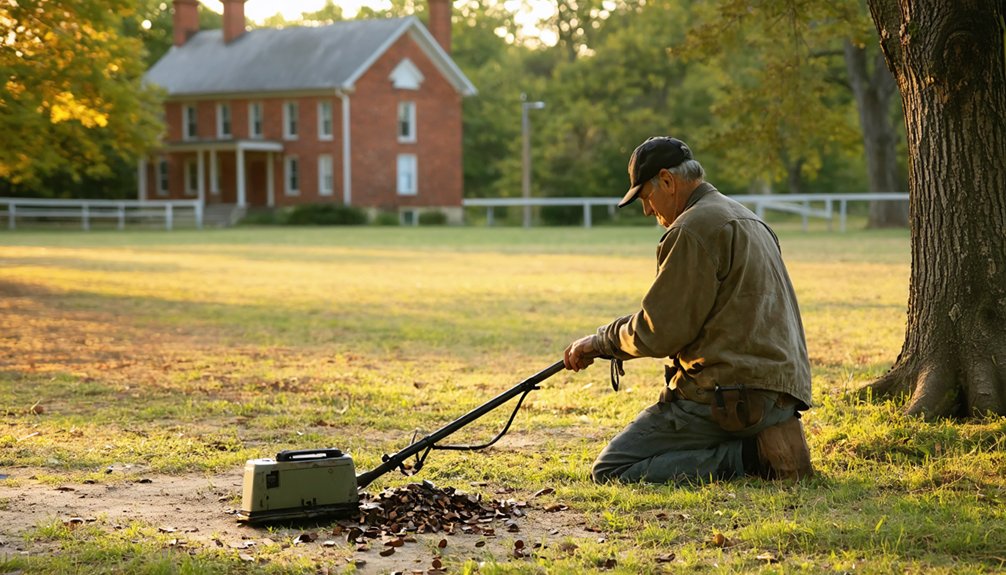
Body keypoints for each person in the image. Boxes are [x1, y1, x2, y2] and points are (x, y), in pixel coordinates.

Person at [563, 136, 813, 483]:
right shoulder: (746, 216)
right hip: (782, 389)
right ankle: (764, 438)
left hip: (730, 395)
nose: (648, 210)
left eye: (646, 197)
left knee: (612, 469)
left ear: (667, 180)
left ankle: (753, 456)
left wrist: (599, 342)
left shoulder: (692, 228)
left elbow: (659, 332)